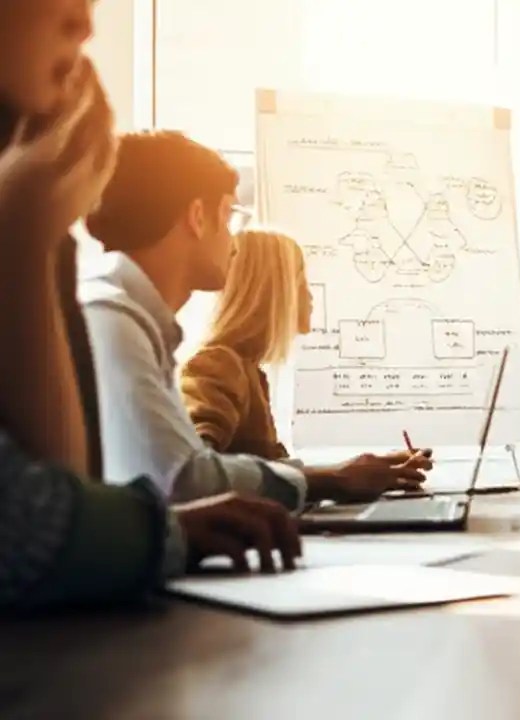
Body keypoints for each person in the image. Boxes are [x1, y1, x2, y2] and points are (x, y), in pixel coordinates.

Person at [0, 0, 298, 610]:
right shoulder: (111, 314)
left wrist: (34, 232)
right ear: (197, 216)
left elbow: (59, 499)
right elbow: (40, 528)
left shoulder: (112, 300)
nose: (84, 25)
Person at [81, 131, 427, 510]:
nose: (234, 243)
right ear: (198, 217)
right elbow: (182, 480)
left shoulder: (135, 324)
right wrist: (333, 480)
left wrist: (339, 475)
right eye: (229, 216)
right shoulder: (113, 322)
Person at [179, 229, 372, 466]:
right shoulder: (217, 364)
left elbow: (273, 472)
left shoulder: (248, 369)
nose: (310, 296)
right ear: (274, 291)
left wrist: (360, 472)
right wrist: (341, 477)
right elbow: (199, 470)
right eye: (300, 282)